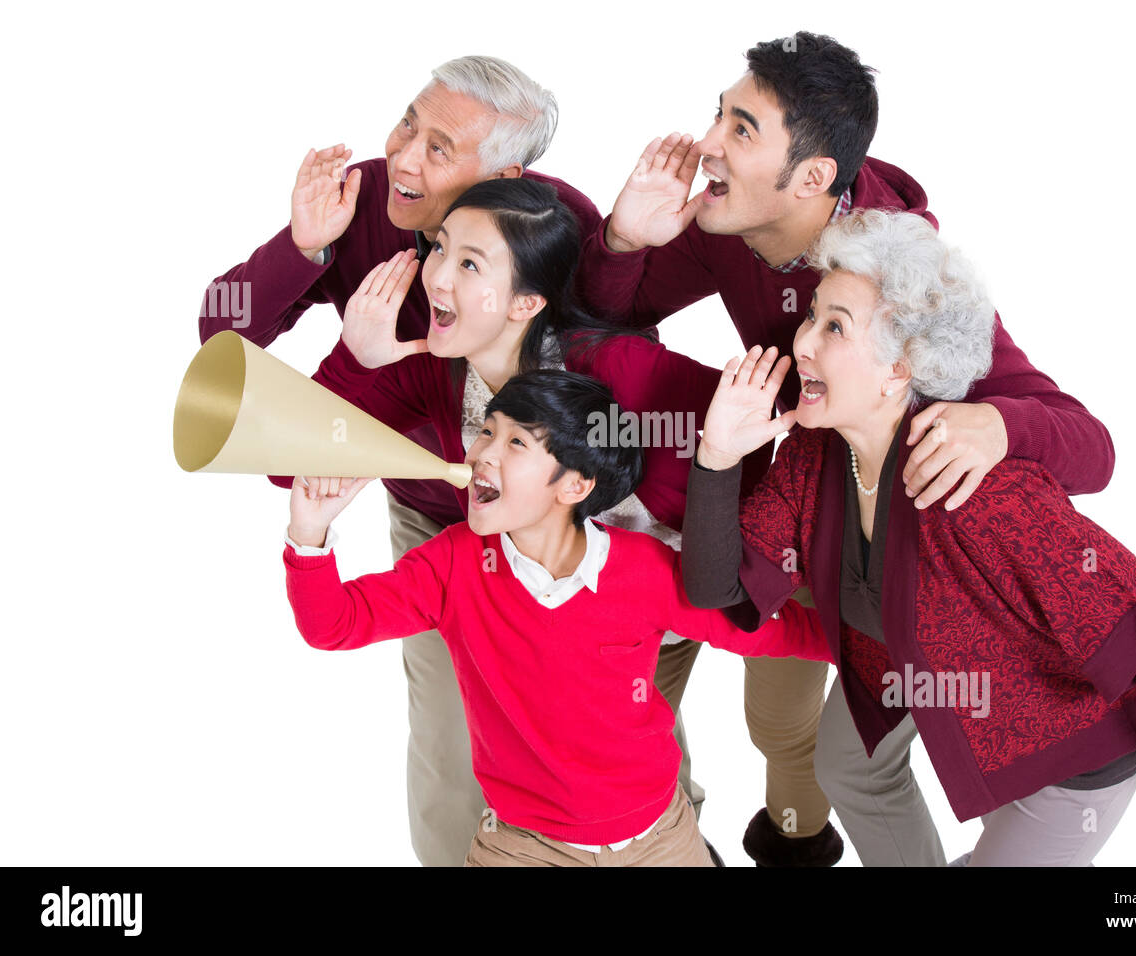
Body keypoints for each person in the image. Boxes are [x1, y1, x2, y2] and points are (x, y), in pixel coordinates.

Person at [577, 30, 1115, 866]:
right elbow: (613, 309)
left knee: (815, 732)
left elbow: (1093, 449)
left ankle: (802, 836)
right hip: (786, 510)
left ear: (814, 179)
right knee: (797, 734)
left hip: (901, 565)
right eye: (718, 115)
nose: (708, 145)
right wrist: (621, 238)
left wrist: (1002, 424)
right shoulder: (730, 224)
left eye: (742, 130)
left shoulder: (900, 274)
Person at [682, 209, 1136, 865]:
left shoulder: (980, 488)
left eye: (834, 327)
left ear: (902, 367)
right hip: (922, 671)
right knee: (846, 765)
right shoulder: (813, 453)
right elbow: (717, 589)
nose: (801, 342)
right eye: (812, 315)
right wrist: (716, 458)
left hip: (1074, 746)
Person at [280, 176, 767, 863]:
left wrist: (700, 557)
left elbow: (743, 430)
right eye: (439, 248)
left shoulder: (618, 369)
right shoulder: (436, 369)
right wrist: (355, 358)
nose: (437, 276)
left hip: (649, 594)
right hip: (523, 596)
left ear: (528, 302)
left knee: (624, 761)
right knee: (532, 761)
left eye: (469, 263)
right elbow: (289, 462)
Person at [198, 56, 600, 866]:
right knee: (452, 737)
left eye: (441, 147)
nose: (405, 158)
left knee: (602, 728)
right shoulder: (363, 199)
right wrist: (303, 249)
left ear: (506, 176)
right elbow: (222, 328)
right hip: (433, 516)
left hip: (559, 522)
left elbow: (616, 379)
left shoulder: (562, 229)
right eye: (408, 122)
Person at [282, 370, 832, 866]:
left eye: (516, 442)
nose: (484, 454)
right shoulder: (452, 565)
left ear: (575, 485)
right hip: (523, 847)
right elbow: (334, 624)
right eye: (487, 432)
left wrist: (860, 647)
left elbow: (755, 633)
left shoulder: (642, 567)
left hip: (659, 836)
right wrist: (309, 535)